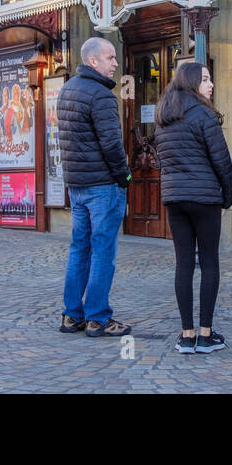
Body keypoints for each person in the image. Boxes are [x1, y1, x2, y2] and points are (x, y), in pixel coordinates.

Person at [154, 61, 232, 354]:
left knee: (184, 263)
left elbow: (163, 160)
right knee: (209, 262)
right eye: (205, 79)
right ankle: (205, 334)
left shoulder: (164, 115)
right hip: (204, 198)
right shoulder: (204, 114)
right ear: (191, 82)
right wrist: (227, 197)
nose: (211, 85)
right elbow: (221, 161)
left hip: (175, 199)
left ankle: (186, 335)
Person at [57, 37, 133, 338]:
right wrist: (125, 178)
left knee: (80, 248)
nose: (115, 63)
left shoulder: (67, 90)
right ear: (93, 61)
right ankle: (97, 318)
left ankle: (71, 315)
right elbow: (112, 145)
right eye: (110, 58)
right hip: (102, 184)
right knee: (102, 250)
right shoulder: (101, 95)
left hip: (77, 184)